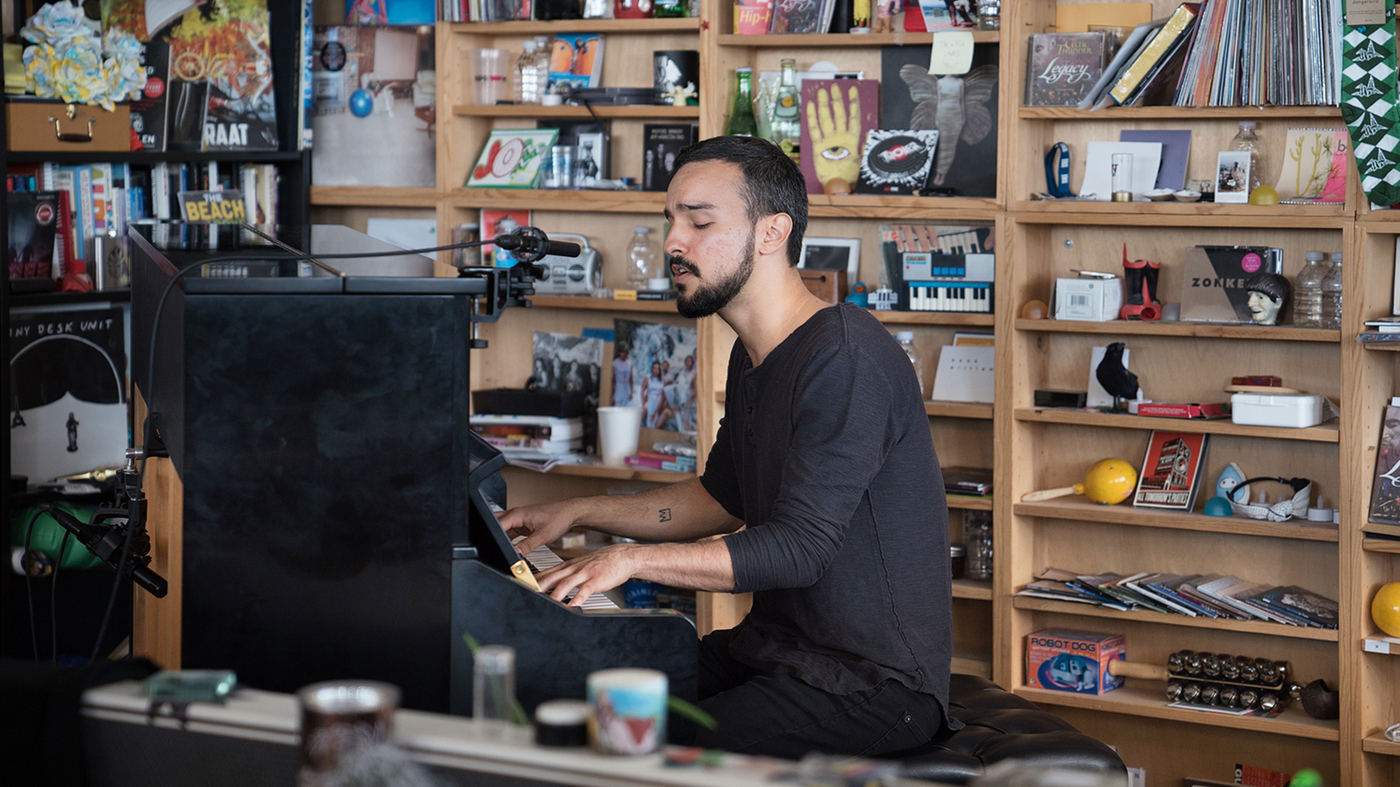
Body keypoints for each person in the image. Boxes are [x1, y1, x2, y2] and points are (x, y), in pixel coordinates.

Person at [499, 135, 956, 759]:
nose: (672, 243)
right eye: (670, 221)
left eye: (699, 221)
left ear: (772, 232)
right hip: (771, 653)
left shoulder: (845, 357)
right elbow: (721, 497)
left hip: (868, 684)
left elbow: (800, 551)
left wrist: (629, 561)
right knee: (574, 690)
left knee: (634, 747)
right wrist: (579, 512)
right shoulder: (753, 353)